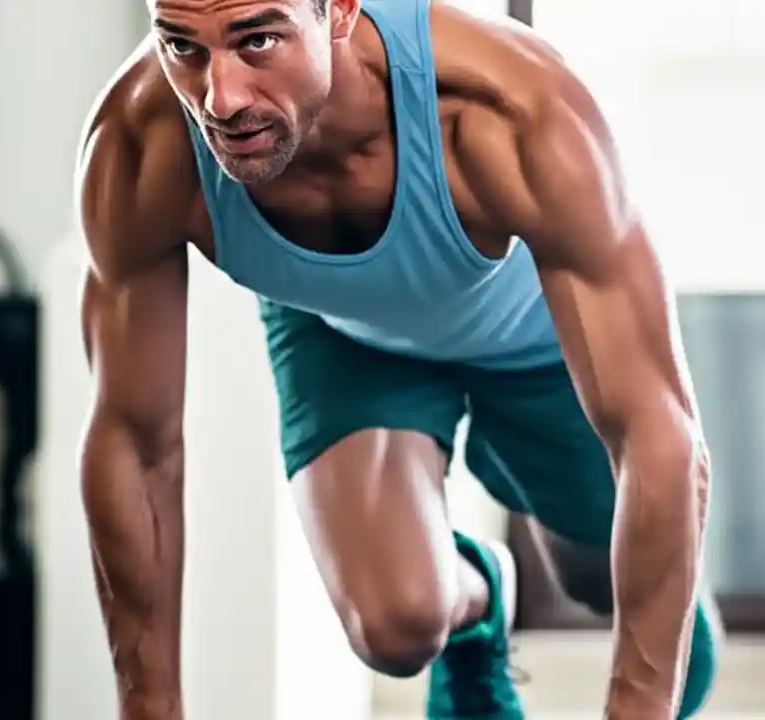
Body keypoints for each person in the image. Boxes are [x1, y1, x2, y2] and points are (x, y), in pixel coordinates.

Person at [76, 0, 721, 718]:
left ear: (341, 10)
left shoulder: (509, 106)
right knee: (396, 625)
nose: (219, 98)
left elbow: (659, 431)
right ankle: (478, 599)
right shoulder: (140, 141)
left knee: (635, 613)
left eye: (257, 40)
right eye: (183, 47)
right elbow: (134, 443)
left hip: (537, 347)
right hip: (349, 334)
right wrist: (148, 707)